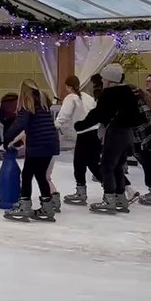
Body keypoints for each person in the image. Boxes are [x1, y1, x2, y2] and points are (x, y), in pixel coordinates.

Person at [74, 63, 144, 214]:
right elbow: (137, 116)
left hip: (114, 134)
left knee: (107, 166)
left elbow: (97, 114)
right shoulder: (128, 92)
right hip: (127, 135)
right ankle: (120, 198)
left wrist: (80, 125)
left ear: (110, 80)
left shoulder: (109, 94)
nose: (103, 82)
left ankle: (109, 199)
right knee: (118, 167)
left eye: (105, 79)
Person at [2, 79, 60, 222]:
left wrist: (7, 138)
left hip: (38, 145)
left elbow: (19, 123)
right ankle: (47, 207)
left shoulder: (28, 102)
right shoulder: (43, 101)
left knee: (27, 174)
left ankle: (24, 205)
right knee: (41, 175)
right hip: (51, 143)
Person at [56, 74, 99, 206]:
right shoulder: (88, 97)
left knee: (79, 164)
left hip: (83, 134)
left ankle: (81, 192)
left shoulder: (71, 98)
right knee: (93, 164)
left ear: (68, 87)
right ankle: (112, 190)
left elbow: (64, 115)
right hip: (94, 133)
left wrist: (55, 125)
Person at [137, 73, 151, 206]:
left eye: (150, 81)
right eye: (146, 81)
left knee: (150, 164)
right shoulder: (145, 96)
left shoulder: (144, 98)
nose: (147, 83)